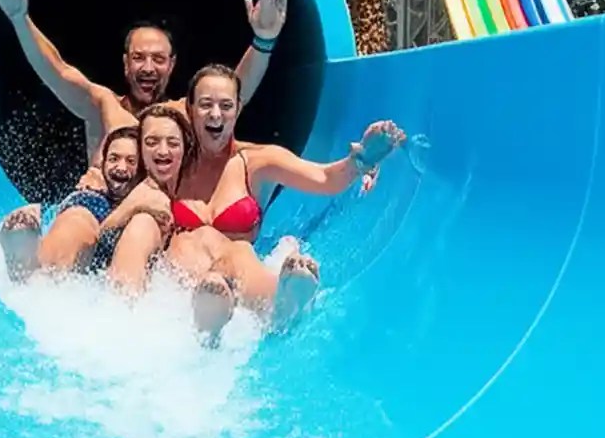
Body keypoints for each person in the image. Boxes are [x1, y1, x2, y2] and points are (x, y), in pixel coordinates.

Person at [120, 65, 406, 343]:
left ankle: (281, 303)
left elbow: (324, 178)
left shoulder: (258, 162)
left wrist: (361, 160)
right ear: (190, 109)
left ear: (238, 109)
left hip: (236, 275)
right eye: (206, 104)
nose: (216, 114)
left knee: (239, 251)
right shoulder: (171, 158)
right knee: (191, 240)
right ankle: (217, 314)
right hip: (181, 274)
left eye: (226, 105)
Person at [0, 0, 288, 172]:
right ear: (125, 64)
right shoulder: (101, 107)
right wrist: (19, 18)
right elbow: (57, 71)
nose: (147, 68)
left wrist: (264, 40)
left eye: (158, 59)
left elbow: (235, 92)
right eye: (138, 58)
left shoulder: (184, 115)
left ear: (172, 65)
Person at [0, 125, 140, 282]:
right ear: (104, 163)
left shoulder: (149, 192)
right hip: (89, 207)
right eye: (113, 159)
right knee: (76, 221)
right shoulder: (92, 194)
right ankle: (39, 269)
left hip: (113, 234)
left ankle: (33, 265)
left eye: (131, 161)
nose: (121, 167)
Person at [95, 105, 197, 293]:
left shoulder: (201, 181)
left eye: (173, 143)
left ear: (186, 147)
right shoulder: (141, 191)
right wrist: (133, 208)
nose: (163, 151)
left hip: (193, 278)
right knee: (143, 223)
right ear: (140, 150)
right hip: (137, 277)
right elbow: (102, 238)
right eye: (151, 143)